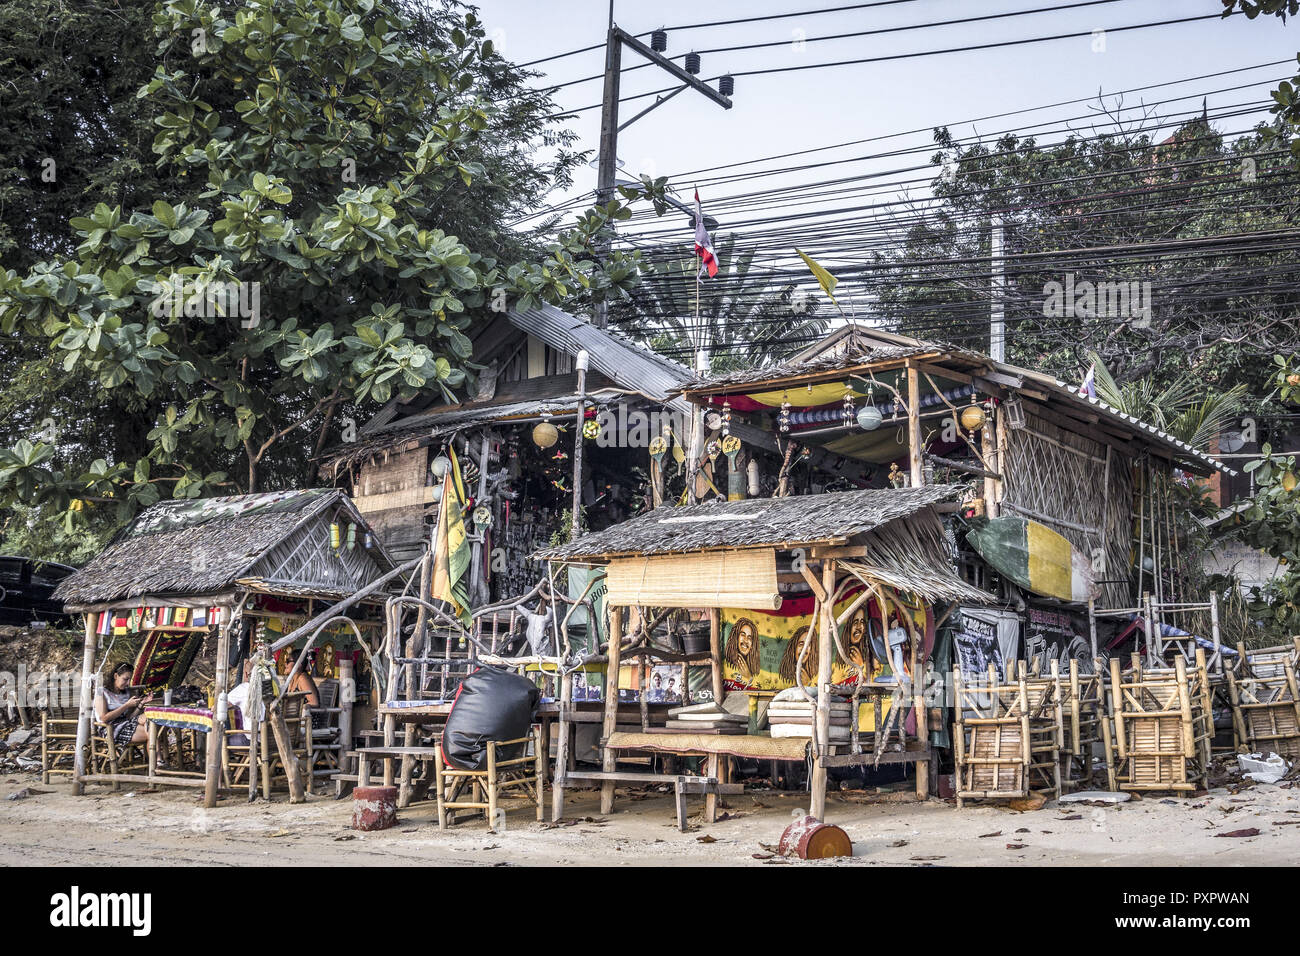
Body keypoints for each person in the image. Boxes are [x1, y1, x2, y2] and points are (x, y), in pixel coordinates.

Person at [94, 662, 154, 749]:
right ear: (115, 676)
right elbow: (103, 718)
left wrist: (141, 703)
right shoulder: (101, 692)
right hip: (110, 729)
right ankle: (159, 761)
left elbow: (129, 717)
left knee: (148, 716)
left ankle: (158, 761)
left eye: (129, 679)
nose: (128, 683)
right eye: (125, 679)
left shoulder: (125, 693)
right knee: (153, 733)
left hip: (126, 723)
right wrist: (126, 705)